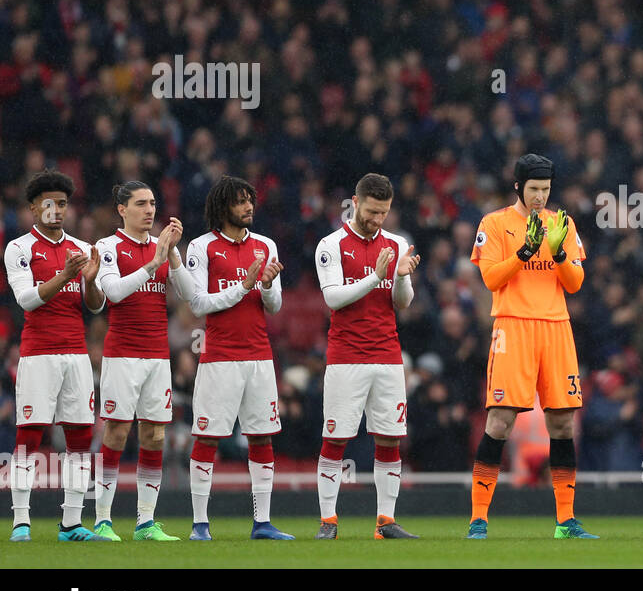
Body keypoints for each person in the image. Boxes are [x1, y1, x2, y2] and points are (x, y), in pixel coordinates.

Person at [466, 154, 595, 539]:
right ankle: (478, 519)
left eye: (546, 189)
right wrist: (524, 252)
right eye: (534, 189)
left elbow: (574, 283)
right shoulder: (495, 223)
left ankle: (565, 521)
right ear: (518, 187)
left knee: (561, 422)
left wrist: (556, 251)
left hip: (556, 327)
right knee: (500, 421)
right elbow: (490, 278)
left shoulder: (563, 224)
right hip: (513, 326)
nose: (540, 196)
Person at [183, 175, 292, 540]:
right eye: (240, 201)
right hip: (219, 357)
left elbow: (274, 307)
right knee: (208, 437)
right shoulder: (201, 247)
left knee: (262, 437)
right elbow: (199, 303)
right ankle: (200, 524)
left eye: (250, 200)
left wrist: (265, 285)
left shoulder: (266, 245)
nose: (248, 207)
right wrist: (243, 285)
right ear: (222, 207)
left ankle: (262, 523)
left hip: (259, 355)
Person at [314, 173, 421, 540]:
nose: (378, 219)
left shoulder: (396, 243)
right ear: (355, 203)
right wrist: (376, 277)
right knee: (336, 439)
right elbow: (332, 298)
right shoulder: (331, 244)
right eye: (373, 211)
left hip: (388, 356)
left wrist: (402, 277)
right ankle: (328, 521)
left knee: (390, 438)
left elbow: (402, 303)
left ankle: (385, 522)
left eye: (385, 213)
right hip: (346, 356)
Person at [4, 169, 108, 541]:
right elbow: (26, 299)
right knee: (29, 437)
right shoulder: (19, 248)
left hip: (77, 355)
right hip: (37, 355)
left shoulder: (81, 249)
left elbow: (94, 307)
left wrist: (91, 280)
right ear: (33, 208)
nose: (57, 210)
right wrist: (65, 276)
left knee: (80, 437)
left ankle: (71, 523)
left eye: (62, 203)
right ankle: (20, 521)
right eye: (49, 203)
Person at [91, 181, 193, 541]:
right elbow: (113, 292)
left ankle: (145, 522)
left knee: (154, 434)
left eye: (152, 203)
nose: (150, 210)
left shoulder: (161, 249)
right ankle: (102, 519)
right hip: (122, 354)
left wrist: (173, 255)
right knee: (117, 431)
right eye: (140, 204)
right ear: (122, 209)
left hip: (157, 356)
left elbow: (188, 295)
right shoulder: (108, 246)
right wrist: (153, 264)